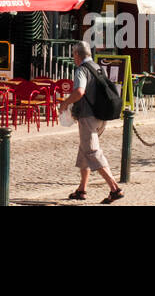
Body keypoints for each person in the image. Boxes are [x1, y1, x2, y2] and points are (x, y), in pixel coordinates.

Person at [55, 41, 123, 203]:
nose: (73, 58)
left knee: (92, 151)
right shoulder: (98, 67)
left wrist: (65, 103)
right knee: (85, 150)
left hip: (88, 116)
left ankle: (115, 189)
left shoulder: (82, 70)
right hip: (101, 116)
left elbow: (79, 91)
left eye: (73, 55)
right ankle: (82, 190)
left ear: (77, 55)